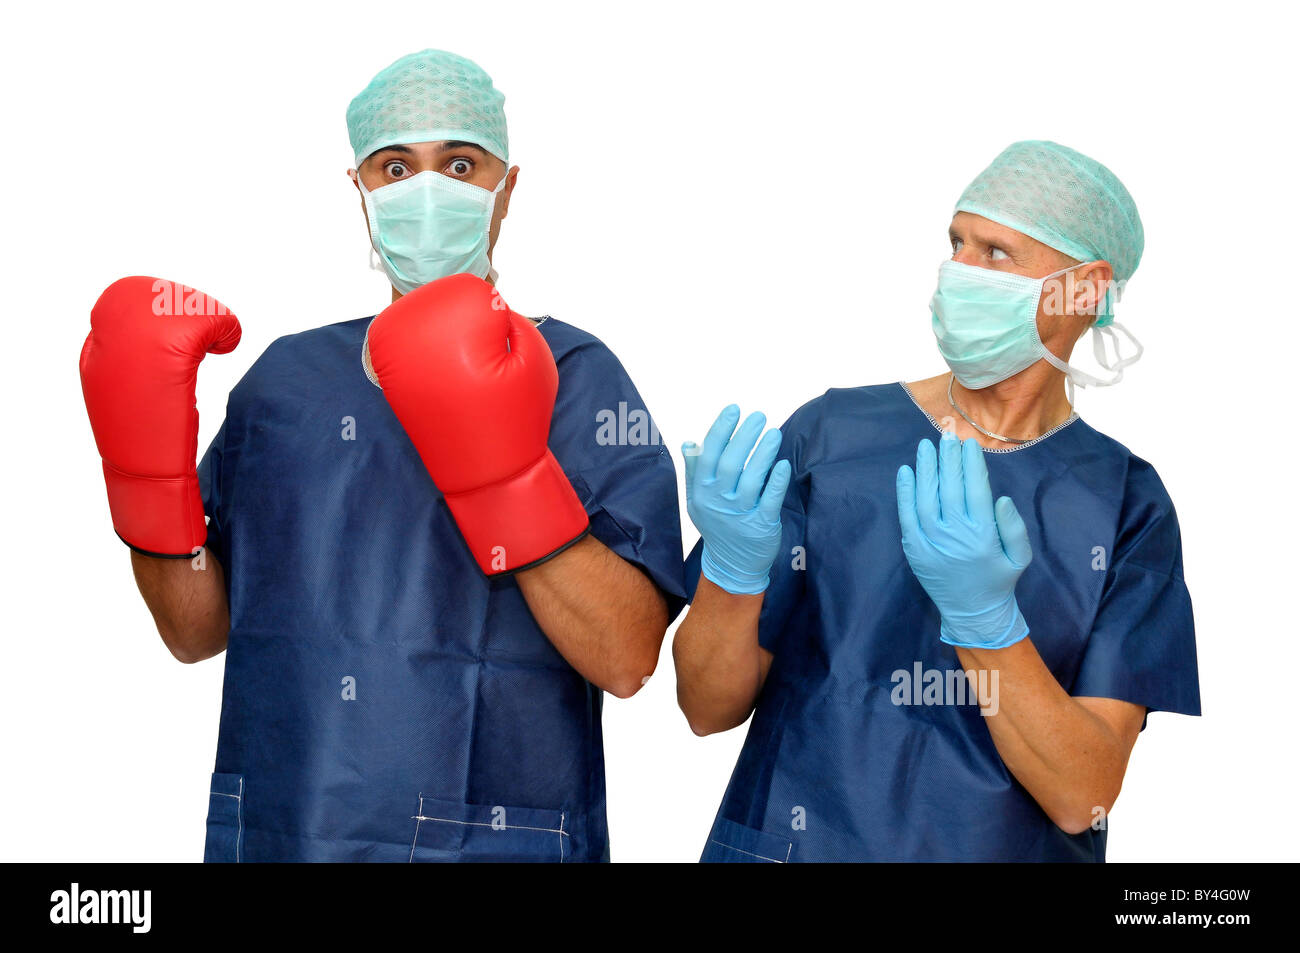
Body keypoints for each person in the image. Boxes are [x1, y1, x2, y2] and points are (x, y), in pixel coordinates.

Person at [79, 49, 685, 862]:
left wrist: (508, 473)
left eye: (459, 164)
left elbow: (626, 655)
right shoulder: (284, 382)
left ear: (507, 192)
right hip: (290, 829)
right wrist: (143, 479)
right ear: (360, 191)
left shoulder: (573, 377)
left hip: (495, 837)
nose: (426, 191)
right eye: (395, 165)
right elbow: (195, 631)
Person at [674, 141, 1200, 862]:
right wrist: (730, 574)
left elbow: (1085, 793)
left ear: (1085, 289)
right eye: (956, 243)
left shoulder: (1125, 504)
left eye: (997, 252)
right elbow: (706, 708)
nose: (961, 272)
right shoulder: (833, 434)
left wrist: (987, 623)